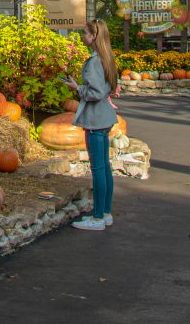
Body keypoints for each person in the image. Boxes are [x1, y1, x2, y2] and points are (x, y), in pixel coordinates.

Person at [66, 19, 120, 230]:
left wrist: (79, 90)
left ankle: (97, 218)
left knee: (98, 169)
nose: (82, 36)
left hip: (95, 119)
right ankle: (105, 212)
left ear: (94, 36)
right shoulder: (106, 58)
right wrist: (77, 85)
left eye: (85, 33)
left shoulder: (95, 61)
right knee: (105, 168)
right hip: (104, 118)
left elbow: (96, 92)